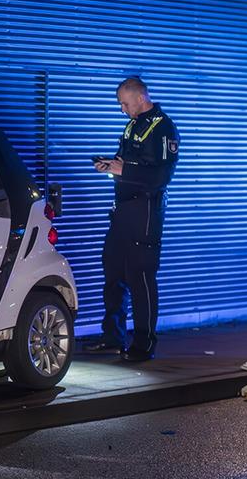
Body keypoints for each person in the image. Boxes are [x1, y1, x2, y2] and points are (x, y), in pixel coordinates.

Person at [84, 77, 179, 362]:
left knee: (141, 277)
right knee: (113, 272)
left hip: (146, 212)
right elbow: (124, 160)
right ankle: (113, 337)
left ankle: (143, 343)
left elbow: (161, 176)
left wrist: (126, 170)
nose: (122, 109)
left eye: (124, 103)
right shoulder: (132, 125)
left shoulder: (163, 127)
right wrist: (110, 165)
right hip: (122, 211)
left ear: (140, 97)